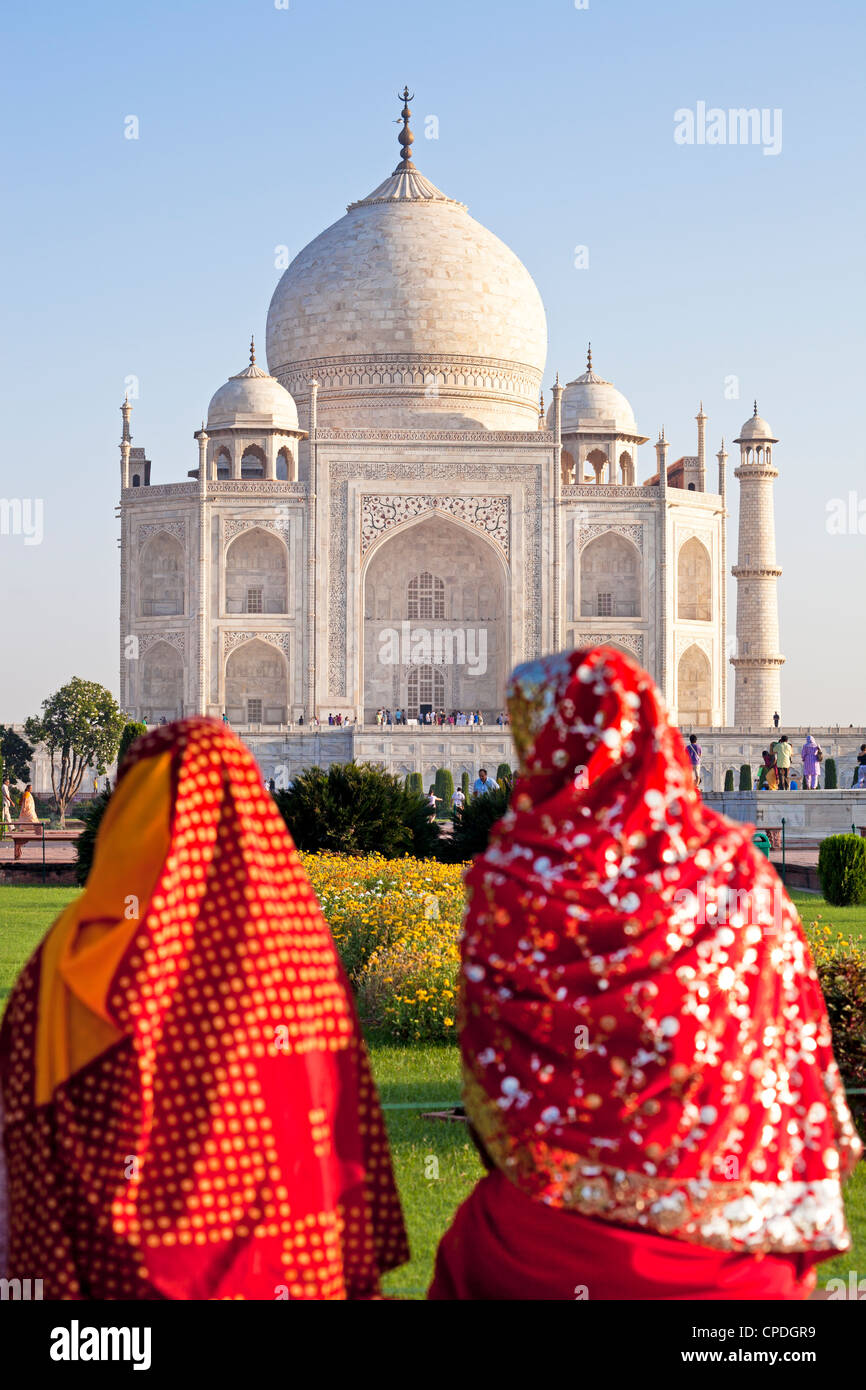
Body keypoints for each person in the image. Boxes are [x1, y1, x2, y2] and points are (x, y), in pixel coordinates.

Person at [429, 646, 860, 1301]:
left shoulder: (512, 883)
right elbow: (789, 1044)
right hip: (733, 1256)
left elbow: (492, 1083)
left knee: (476, 1253)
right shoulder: (735, 871)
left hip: (542, 1247)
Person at [0, 718, 408, 1299]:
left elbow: (22, 1106)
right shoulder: (295, 949)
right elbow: (335, 1115)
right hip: (276, 1265)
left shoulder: (77, 950)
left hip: (113, 1278)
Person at [12, 783, 39, 861]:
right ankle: (35, 829)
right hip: (27, 810)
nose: (31, 789)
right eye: (30, 788)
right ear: (27, 788)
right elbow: (24, 801)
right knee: (31, 819)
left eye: (31, 788)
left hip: (29, 810)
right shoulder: (26, 794)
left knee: (31, 819)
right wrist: (23, 808)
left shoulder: (28, 793)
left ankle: (35, 829)